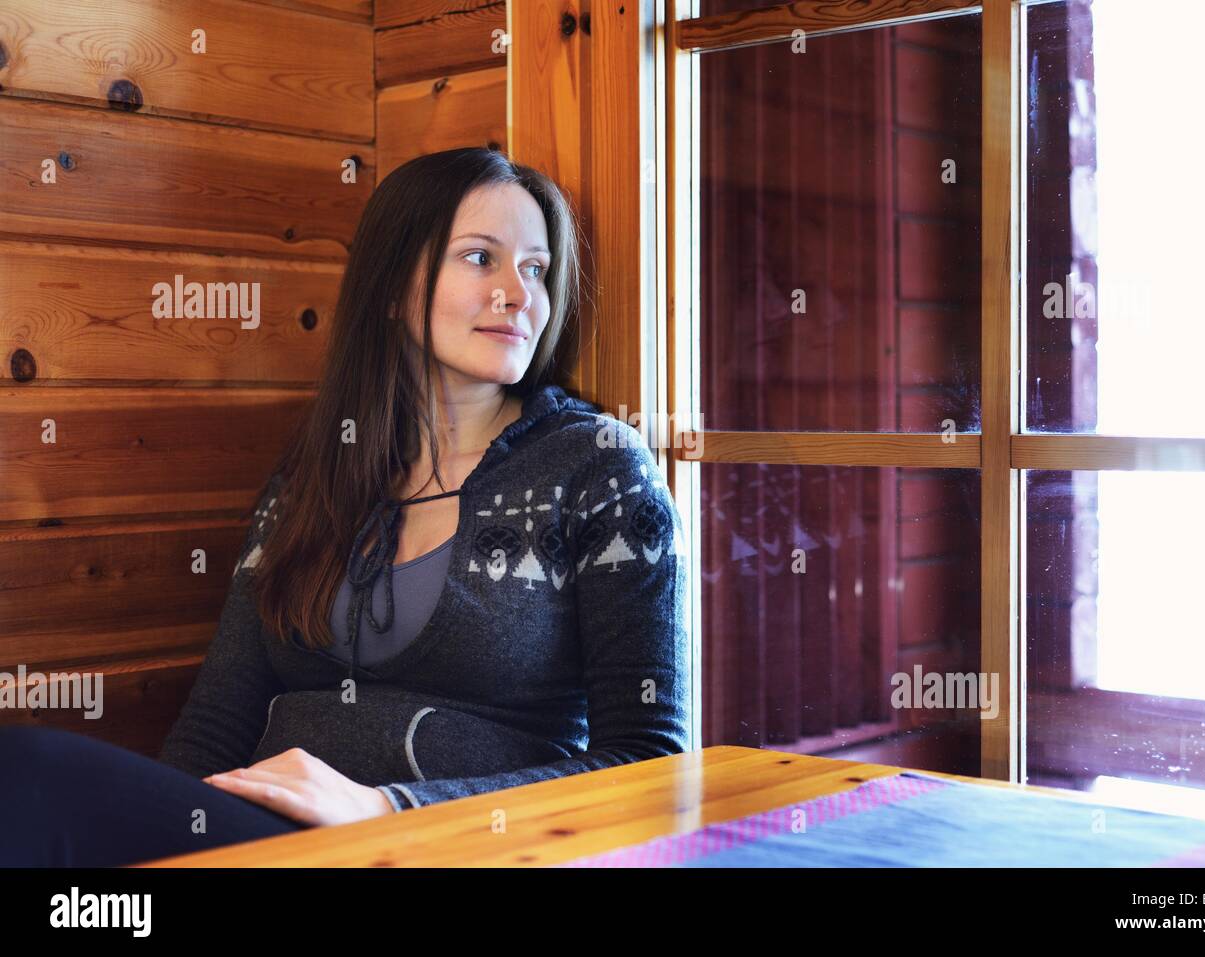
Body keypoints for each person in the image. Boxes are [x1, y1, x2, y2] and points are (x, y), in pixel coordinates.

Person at [0, 147, 690, 867]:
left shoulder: (598, 468)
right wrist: (173, 837)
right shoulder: (322, 468)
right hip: (263, 838)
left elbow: (650, 763)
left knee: (29, 774)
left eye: (536, 268)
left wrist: (389, 806)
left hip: (451, 852)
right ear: (392, 286)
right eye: (481, 258)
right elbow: (216, 722)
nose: (519, 293)